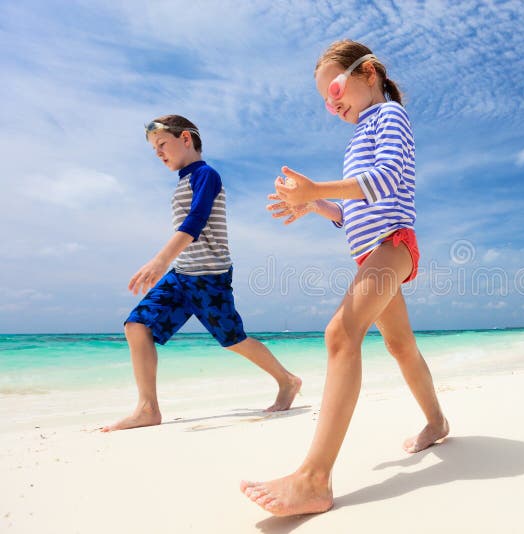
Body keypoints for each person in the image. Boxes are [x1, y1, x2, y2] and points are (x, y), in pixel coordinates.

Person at [241, 40, 449, 515]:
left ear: (368, 73)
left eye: (335, 88)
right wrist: (317, 204)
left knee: (340, 333)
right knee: (401, 347)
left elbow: (389, 177)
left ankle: (314, 478)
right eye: (324, 99)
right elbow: (354, 206)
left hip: (394, 245)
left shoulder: (389, 116)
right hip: (369, 253)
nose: (331, 102)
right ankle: (436, 422)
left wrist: (319, 187)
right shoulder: (359, 136)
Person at [102, 115, 301, 432]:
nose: (159, 153)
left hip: (210, 277)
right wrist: (169, 265)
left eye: (162, 144)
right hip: (182, 277)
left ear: (185, 139)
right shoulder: (182, 181)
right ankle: (147, 408)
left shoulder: (207, 175)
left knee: (234, 340)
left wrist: (160, 260)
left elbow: (195, 222)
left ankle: (288, 380)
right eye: (154, 149)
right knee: (136, 325)